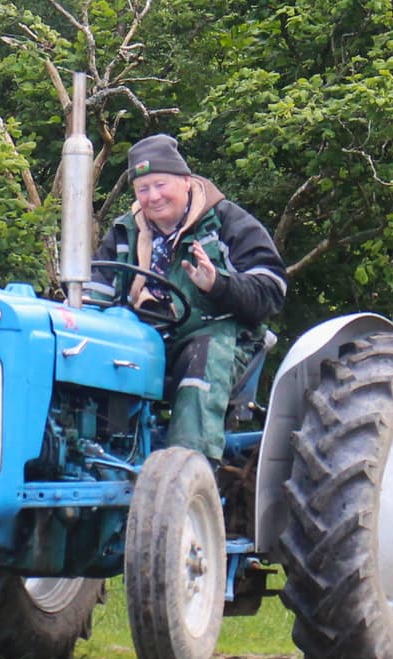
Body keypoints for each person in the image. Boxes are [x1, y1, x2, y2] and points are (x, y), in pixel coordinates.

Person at [87, 134, 287, 462]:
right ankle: (97, 459)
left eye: (160, 184)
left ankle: (189, 471)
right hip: (143, 338)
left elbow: (272, 288)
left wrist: (218, 285)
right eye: (143, 189)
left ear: (185, 181)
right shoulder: (125, 231)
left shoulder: (225, 222)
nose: (153, 197)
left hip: (219, 336)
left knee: (203, 353)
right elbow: (97, 289)